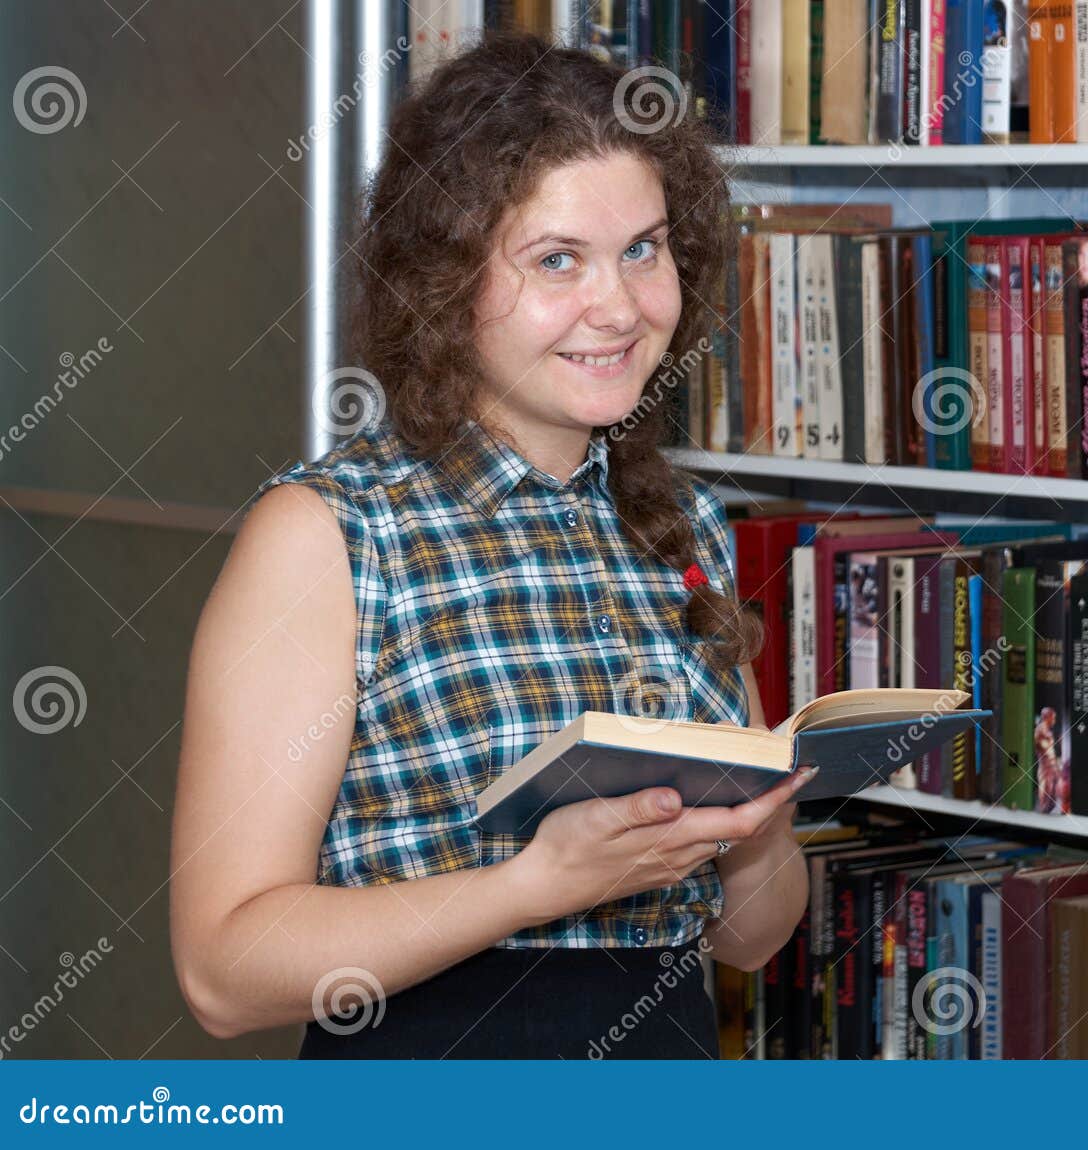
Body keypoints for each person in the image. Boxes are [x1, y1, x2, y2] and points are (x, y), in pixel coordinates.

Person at [169, 32, 812, 1059]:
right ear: (444, 283)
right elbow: (222, 971)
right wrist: (534, 883)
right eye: (558, 260)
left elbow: (747, 935)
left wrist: (763, 809)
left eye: (643, 249)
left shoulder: (683, 531)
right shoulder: (329, 537)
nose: (619, 306)